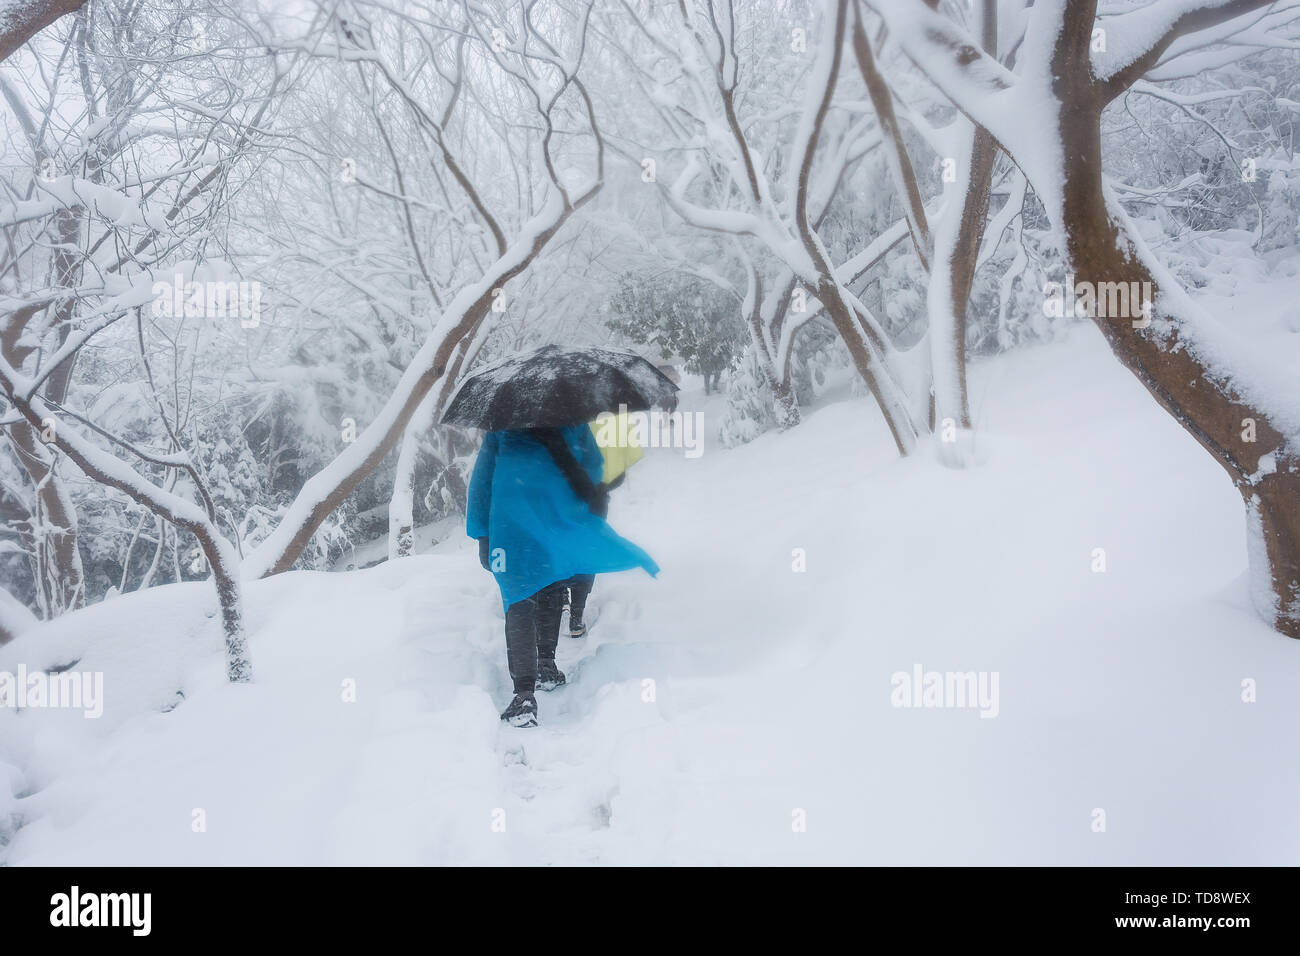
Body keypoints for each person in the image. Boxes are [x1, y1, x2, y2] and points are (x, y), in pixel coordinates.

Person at [466, 423, 658, 727]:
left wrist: (481, 533)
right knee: (551, 588)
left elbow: (481, 484)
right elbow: (594, 469)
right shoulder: (571, 423)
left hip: (510, 528)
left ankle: (524, 693)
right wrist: (586, 519)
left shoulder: (502, 429)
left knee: (518, 600)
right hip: (554, 523)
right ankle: (545, 663)